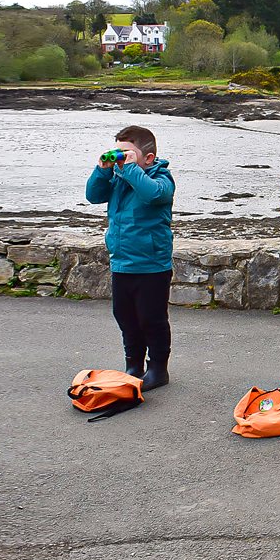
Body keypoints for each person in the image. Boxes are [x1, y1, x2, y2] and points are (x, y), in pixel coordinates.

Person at [85, 125, 176, 392]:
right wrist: (103, 169)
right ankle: (133, 364)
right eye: (117, 152)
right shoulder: (117, 178)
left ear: (148, 158)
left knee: (152, 318)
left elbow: (152, 195)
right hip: (122, 261)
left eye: (126, 153)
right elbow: (93, 196)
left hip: (152, 264)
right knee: (125, 316)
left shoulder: (162, 178)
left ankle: (158, 368)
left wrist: (130, 169)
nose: (119, 158)